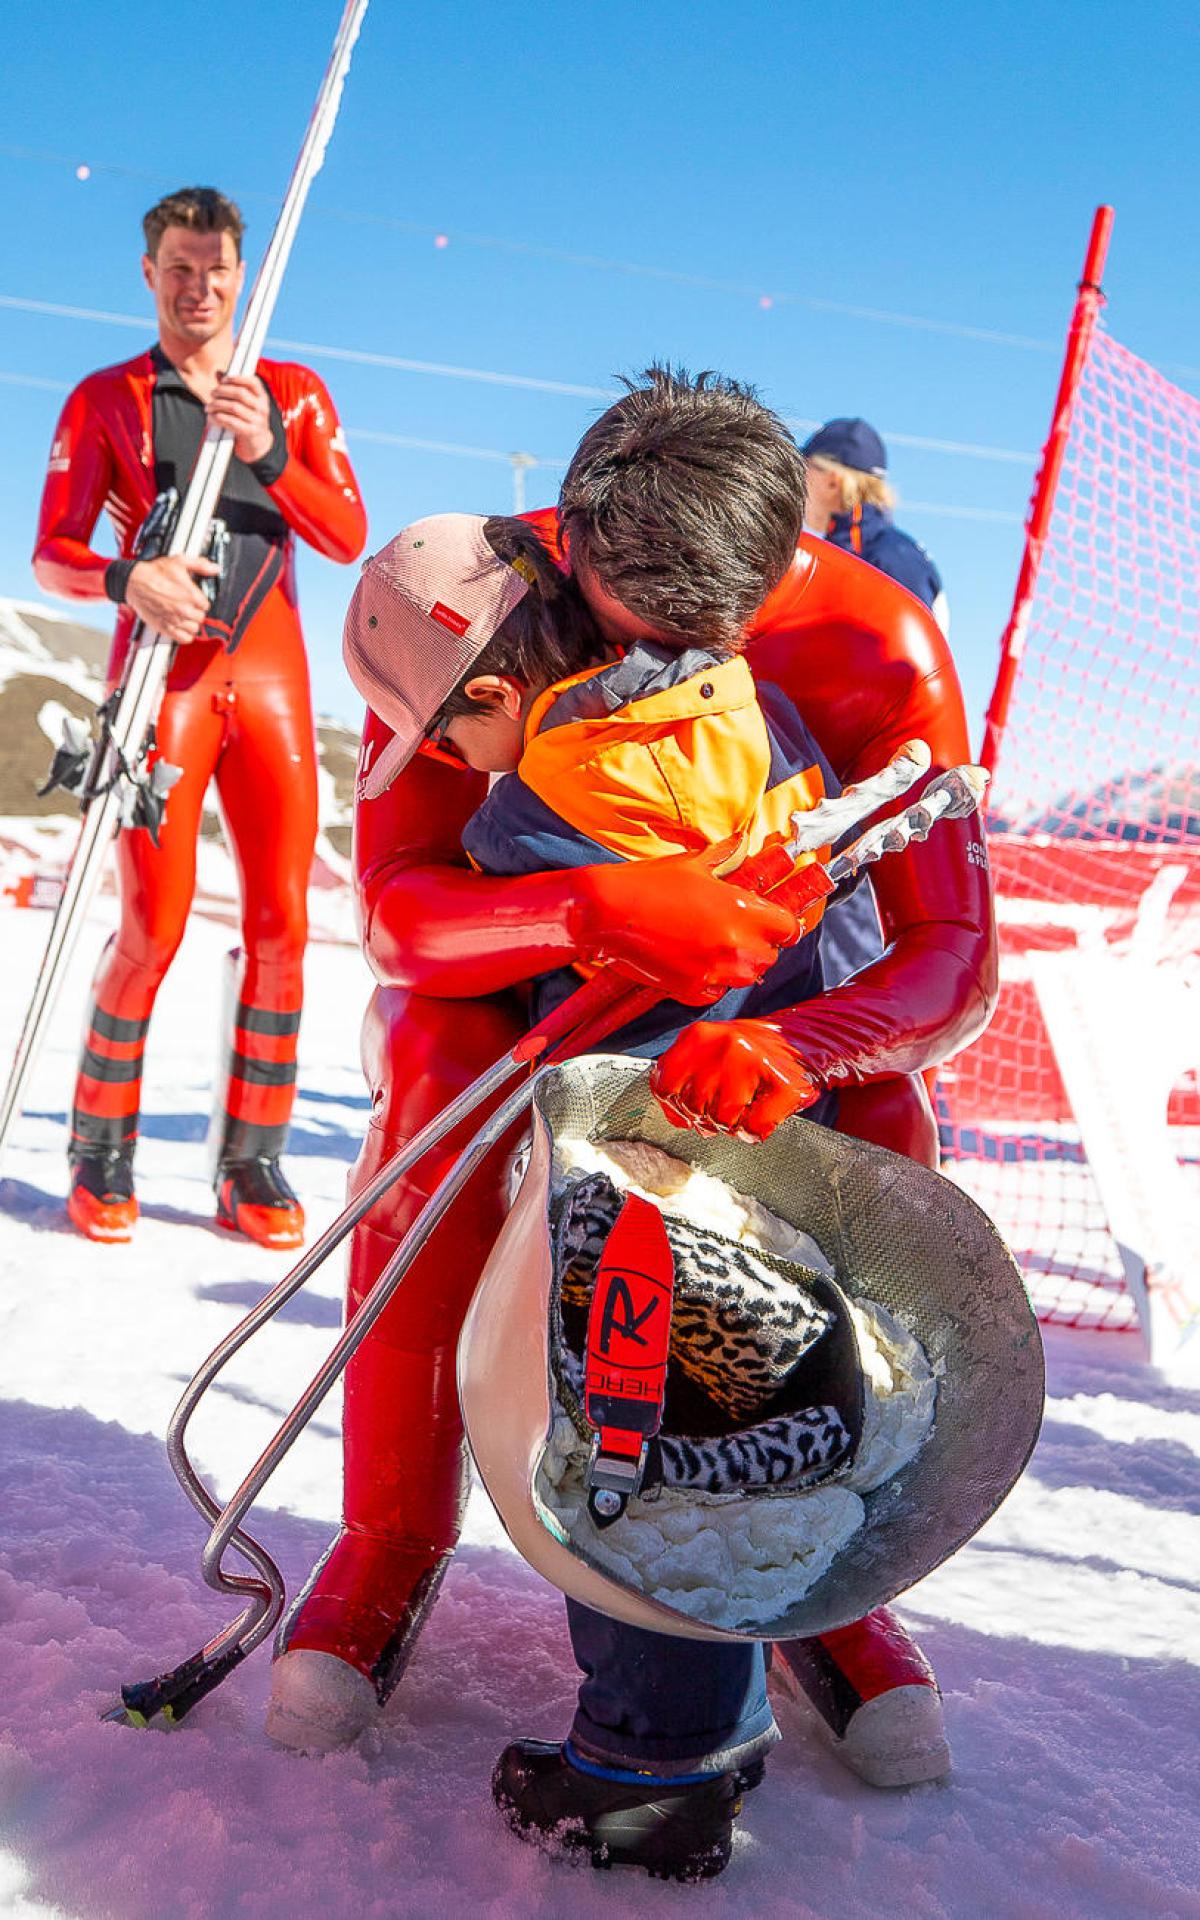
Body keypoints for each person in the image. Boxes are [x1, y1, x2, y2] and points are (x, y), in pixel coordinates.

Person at [269, 371, 996, 1881]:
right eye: (612, 627)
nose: (640, 667)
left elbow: (953, 955)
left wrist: (800, 1046)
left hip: (764, 1015)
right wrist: (574, 903)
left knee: (861, 1144)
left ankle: (824, 1571)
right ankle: (392, 1526)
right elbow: (402, 911)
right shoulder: (479, 593)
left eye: (682, 650)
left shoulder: (875, 645)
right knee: (438, 1089)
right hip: (532, 979)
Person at [33, 186, 367, 1247]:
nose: (199, 287)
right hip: (160, 680)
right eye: (179, 268)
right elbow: (53, 552)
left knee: (284, 925)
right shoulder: (106, 398)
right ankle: (100, 1151)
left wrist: (269, 449)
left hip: (269, 676)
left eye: (216, 269)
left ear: (244, 276)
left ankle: (254, 1163)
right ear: (149, 274)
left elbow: (348, 531)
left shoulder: (295, 392)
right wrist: (126, 574)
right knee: (154, 924)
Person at [801, 415, 948, 635]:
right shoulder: (848, 552)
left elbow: (905, 664)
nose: (795, 482)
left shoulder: (890, 559)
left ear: (833, 481)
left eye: (804, 469)